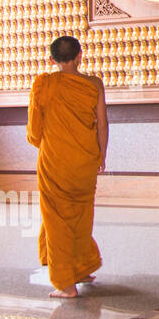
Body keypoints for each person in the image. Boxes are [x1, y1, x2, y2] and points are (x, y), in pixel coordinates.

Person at [27, 36, 107, 299]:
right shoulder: (95, 84)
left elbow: (34, 130)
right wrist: (101, 156)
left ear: (51, 60)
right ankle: (82, 268)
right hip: (85, 160)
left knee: (57, 220)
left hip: (55, 161)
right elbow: (103, 124)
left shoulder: (44, 84)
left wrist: (45, 141)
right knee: (82, 215)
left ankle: (66, 284)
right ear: (79, 56)